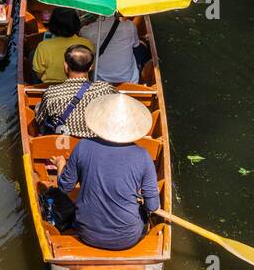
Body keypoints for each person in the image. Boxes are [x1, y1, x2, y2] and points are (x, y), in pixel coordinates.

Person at [54, 93, 160, 250]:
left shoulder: (83, 146)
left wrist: (60, 165)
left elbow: (65, 187)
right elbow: (152, 206)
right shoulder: (143, 156)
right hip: (127, 238)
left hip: (86, 233)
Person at [35, 45, 118, 136]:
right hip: (97, 141)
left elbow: (40, 120)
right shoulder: (106, 89)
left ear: (65, 66)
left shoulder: (52, 93)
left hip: (64, 144)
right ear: (91, 67)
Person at [33, 8, 95, 84]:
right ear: (76, 23)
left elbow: (39, 74)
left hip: (50, 88)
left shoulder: (43, 46)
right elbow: (91, 69)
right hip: (81, 88)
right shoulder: (88, 44)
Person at [90, 13, 143, 84]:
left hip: (99, 80)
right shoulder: (130, 26)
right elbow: (136, 46)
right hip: (128, 80)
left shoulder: (87, 31)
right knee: (140, 48)